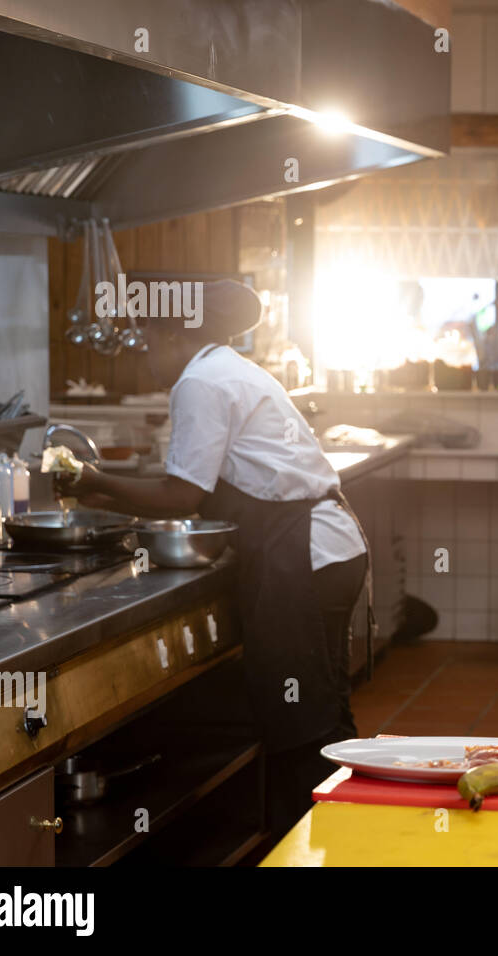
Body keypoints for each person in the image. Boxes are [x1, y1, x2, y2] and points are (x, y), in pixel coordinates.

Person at [59, 279, 368, 841]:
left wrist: (92, 480)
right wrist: (113, 492)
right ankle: (327, 844)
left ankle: (309, 845)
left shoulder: (200, 381)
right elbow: (207, 484)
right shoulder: (227, 366)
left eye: (148, 339)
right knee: (321, 711)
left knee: (302, 720)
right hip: (322, 550)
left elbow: (183, 496)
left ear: (175, 333)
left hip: (303, 556)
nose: (146, 353)